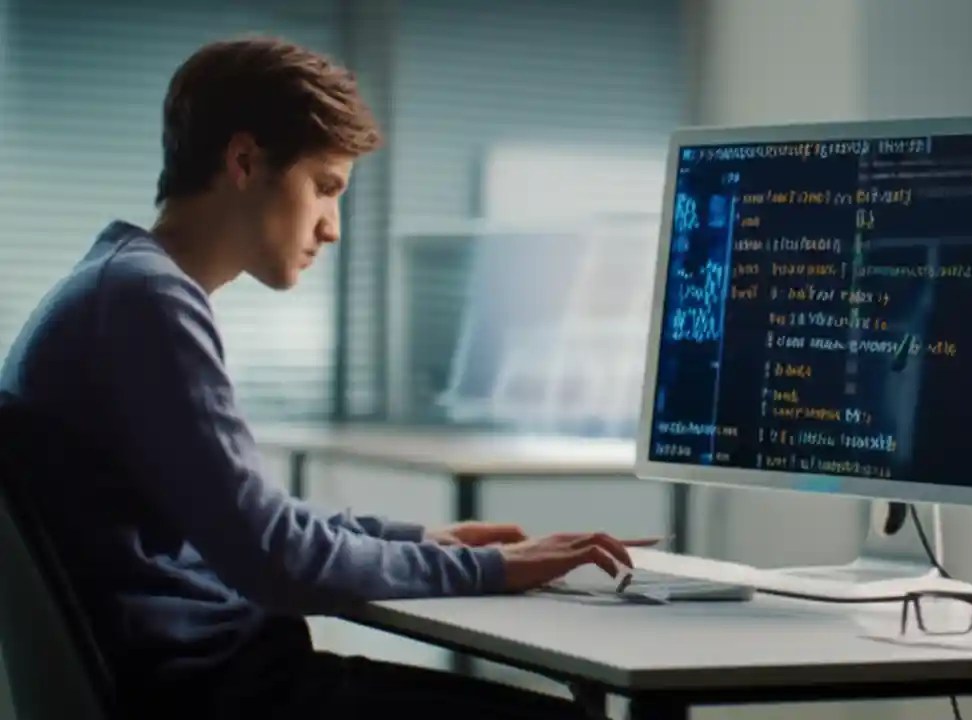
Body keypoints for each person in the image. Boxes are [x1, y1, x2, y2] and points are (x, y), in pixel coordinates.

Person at [0, 36, 648, 719]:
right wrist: (489, 569)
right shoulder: (146, 301)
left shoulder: (115, 285)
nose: (332, 228)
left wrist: (418, 540)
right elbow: (274, 556)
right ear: (245, 162)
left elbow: (250, 520)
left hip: (198, 684)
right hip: (218, 695)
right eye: (326, 187)